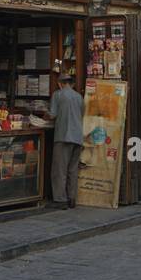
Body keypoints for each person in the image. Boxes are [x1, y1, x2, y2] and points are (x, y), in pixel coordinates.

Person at [46, 73, 84, 208]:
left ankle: (60, 200)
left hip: (63, 136)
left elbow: (52, 115)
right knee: (72, 170)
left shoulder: (58, 94)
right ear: (71, 83)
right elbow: (81, 114)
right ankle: (72, 198)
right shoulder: (79, 97)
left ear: (60, 83)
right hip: (78, 137)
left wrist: (44, 113)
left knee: (59, 170)